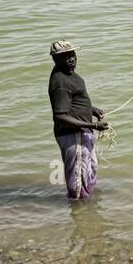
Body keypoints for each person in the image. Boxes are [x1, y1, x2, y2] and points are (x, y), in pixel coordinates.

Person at [48, 40, 107, 200]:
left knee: (90, 171)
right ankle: (79, 213)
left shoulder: (70, 74)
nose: (71, 58)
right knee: (78, 182)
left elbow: (73, 102)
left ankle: (88, 213)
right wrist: (93, 125)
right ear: (55, 59)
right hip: (73, 136)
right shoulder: (60, 81)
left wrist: (92, 110)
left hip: (83, 133)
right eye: (65, 56)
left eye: (72, 54)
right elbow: (60, 116)